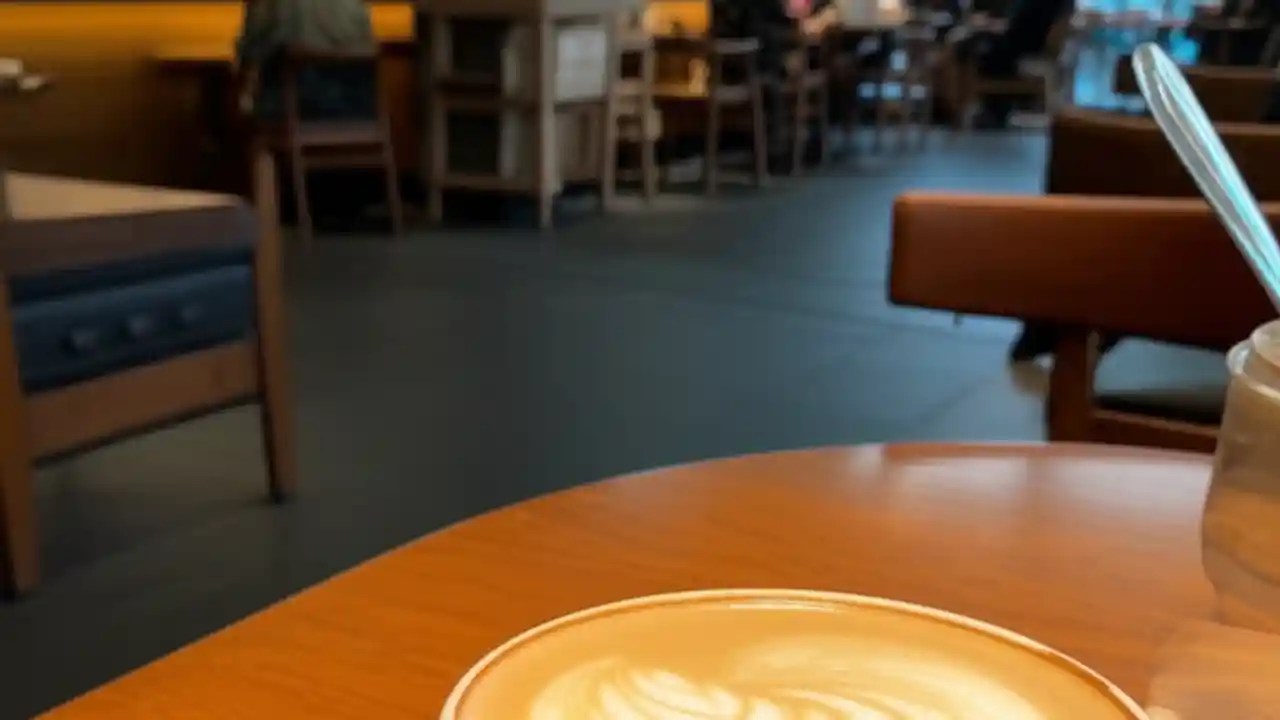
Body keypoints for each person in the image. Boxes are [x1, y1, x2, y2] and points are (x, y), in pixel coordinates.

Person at [710, 0, 840, 161]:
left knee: (783, 68)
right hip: (747, 58)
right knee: (775, 73)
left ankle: (783, 144)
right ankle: (779, 146)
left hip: (757, 55)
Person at [235, 0, 377, 121]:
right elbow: (367, 43)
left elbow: (252, 48)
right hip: (360, 107)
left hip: (299, 104)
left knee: (243, 108)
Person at [950, 0, 1074, 127]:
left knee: (966, 48)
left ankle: (958, 114)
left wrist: (988, 26)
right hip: (1032, 49)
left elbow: (1019, 30)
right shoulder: (1063, 3)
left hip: (1022, 52)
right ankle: (992, 110)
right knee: (973, 44)